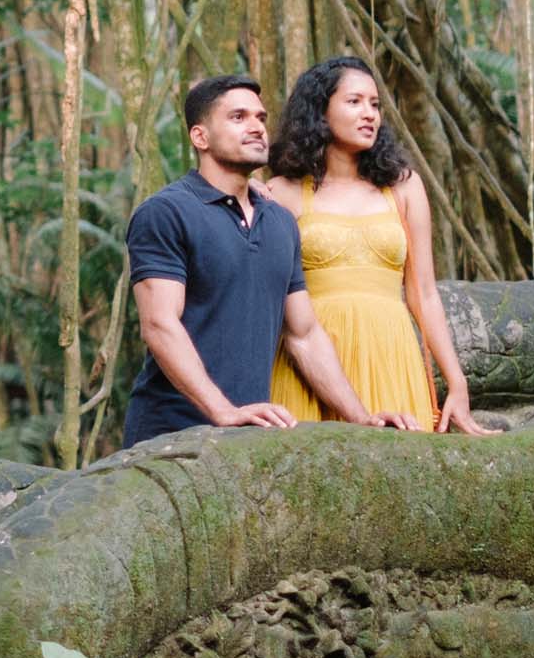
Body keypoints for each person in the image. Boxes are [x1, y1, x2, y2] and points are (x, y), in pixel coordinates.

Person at [122, 73, 418, 445]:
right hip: (170, 434)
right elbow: (160, 324)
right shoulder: (166, 212)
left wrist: (362, 417)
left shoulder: (279, 221)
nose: (256, 127)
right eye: (238, 117)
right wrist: (222, 411)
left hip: (249, 436)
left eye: (260, 118)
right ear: (200, 137)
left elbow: (304, 335)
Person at [259, 56, 493, 434]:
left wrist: (457, 382)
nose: (369, 113)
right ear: (320, 110)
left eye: (375, 104)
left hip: (390, 352)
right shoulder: (281, 193)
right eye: (354, 102)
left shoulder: (402, 186)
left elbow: (425, 294)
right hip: (311, 362)